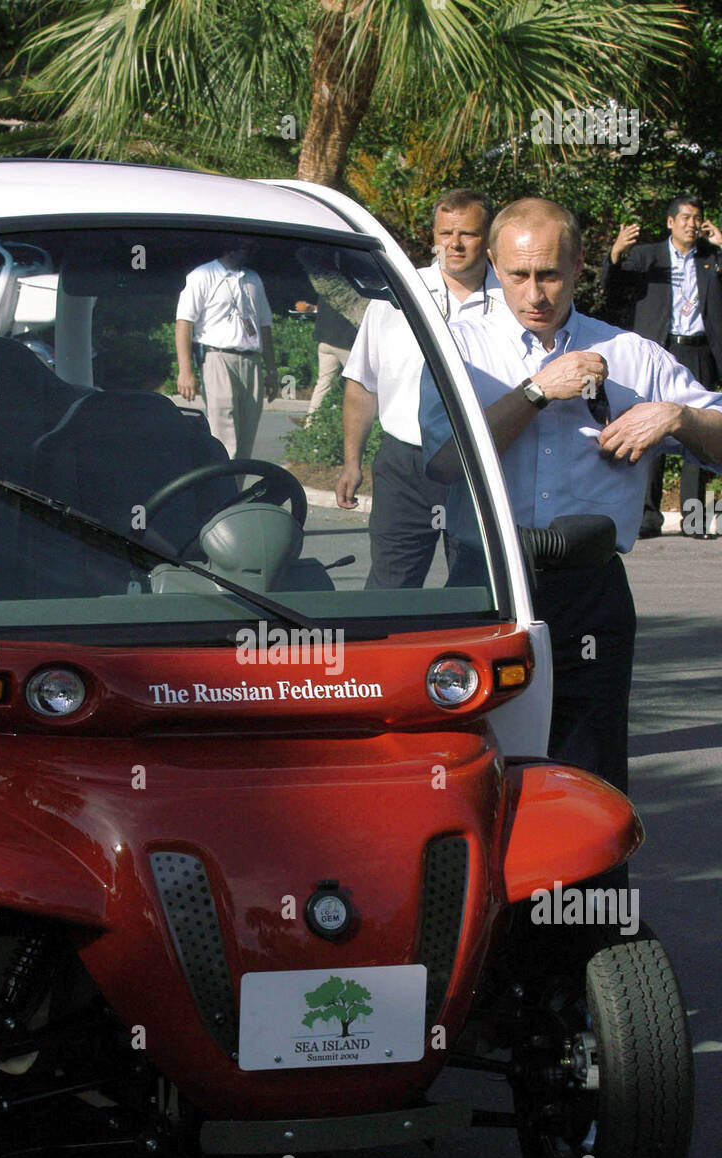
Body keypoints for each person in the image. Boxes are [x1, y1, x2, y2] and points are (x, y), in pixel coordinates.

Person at [420, 196, 722, 802]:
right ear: (495, 267)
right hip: (489, 585)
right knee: (478, 768)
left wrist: (678, 416)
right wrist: (535, 392)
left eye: (551, 275)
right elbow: (446, 464)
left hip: (589, 591)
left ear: (581, 264)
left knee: (590, 778)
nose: (536, 294)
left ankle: (584, 893)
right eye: (518, 275)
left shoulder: (631, 353)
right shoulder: (460, 348)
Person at [335, 188, 503, 589]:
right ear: (433, 235)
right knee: (391, 588)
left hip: (480, 465)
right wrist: (351, 463)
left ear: (489, 238)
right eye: (446, 233)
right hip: (405, 466)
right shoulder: (397, 295)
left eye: (468, 234)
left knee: (479, 588)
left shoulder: (513, 301)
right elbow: (362, 384)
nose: (455, 244)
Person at [598, 194, 722, 538]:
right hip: (658, 350)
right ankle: (647, 518)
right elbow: (612, 287)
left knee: (693, 426)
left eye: (697, 218)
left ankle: (693, 519)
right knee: (651, 430)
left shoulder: (712, 259)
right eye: (685, 217)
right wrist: (616, 252)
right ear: (670, 222)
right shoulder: (648, 256)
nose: (692, 224)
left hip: (698, 351)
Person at [175, 237, 278, 459]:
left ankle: (236, 493)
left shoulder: (253, 279)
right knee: (224, 438)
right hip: (217, 359)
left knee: (245, 441)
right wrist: (185, 371)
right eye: (248, 247)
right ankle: (221, 492)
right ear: (230, 249)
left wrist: (271, 370)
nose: (252, 252)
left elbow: (265, 327)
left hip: (251, 360)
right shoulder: (202, 276)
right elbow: (184, 323)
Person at [305, 298, 358, 421]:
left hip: (325, 340)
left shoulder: (329, 285)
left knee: (323, 384)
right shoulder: (352, 289)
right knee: (363, 385)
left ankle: (310, 423)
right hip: (347, 342)